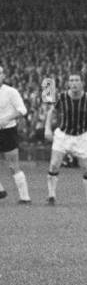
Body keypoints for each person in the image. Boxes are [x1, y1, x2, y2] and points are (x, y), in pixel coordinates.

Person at [44, 72, 87, 205]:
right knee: (54, 165)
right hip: (63, 136)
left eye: (77, 80)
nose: (74, 83)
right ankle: (51, 196)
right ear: (68, 83)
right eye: (71, 80)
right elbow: (51, 112)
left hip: (81, 137)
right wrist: (47, 128)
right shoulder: (62, 97)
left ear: (82, 83)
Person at [0, 63, 32, 203]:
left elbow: (22, 110)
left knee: (13, 165)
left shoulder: (11, 92)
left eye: (0, 73)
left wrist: (7, 118)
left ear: (3, 76)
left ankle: (25, 198)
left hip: (7, 131)